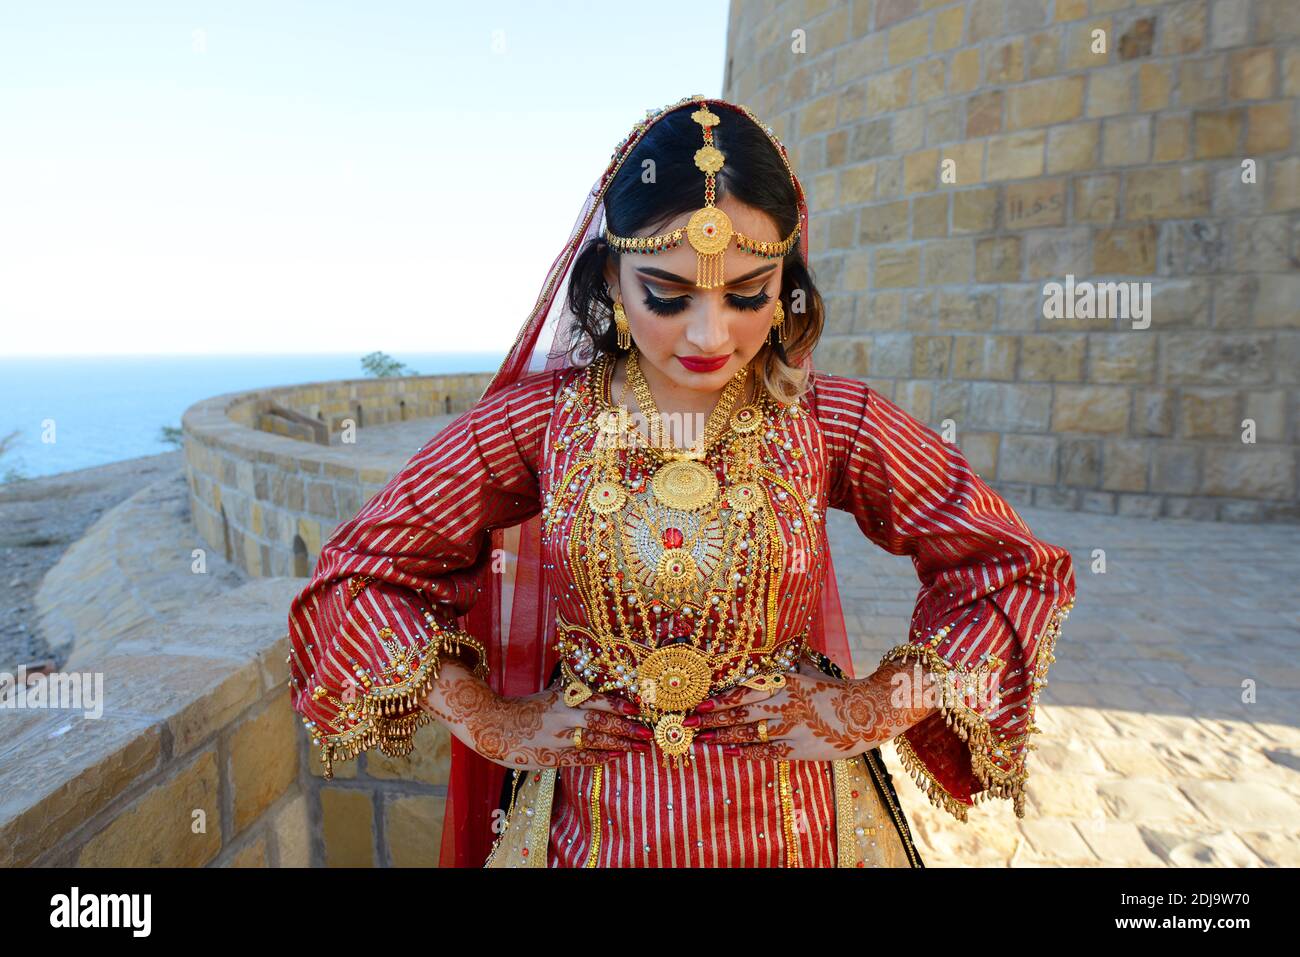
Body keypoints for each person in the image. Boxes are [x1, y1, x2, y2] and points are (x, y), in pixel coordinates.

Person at [285, 95, 1077, 868]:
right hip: (592, 821)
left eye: (747, 296)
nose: (709, 334)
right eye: (667, 295)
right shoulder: (540, 424)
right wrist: (491, 718)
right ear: (612, 281)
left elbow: (1008, 566)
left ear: (787, 284)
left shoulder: (828, 419)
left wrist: (877, 704)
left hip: (795, 820)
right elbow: (362, 573)